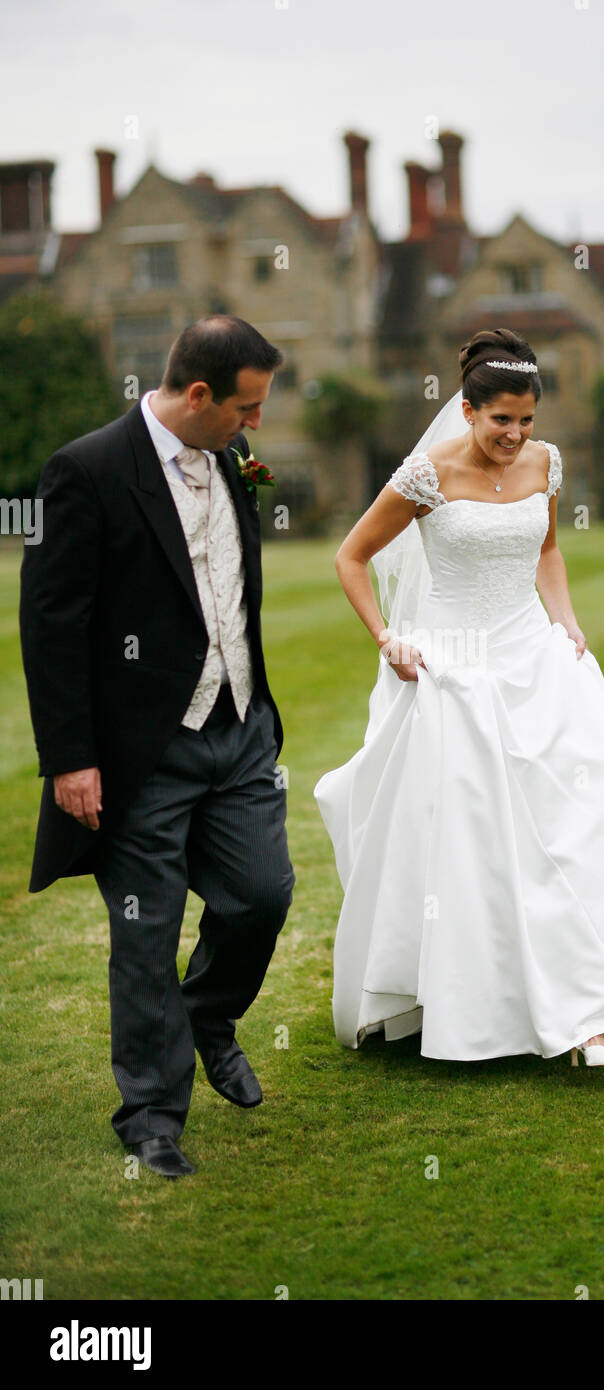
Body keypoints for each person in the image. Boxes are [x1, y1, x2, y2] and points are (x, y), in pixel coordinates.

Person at [314, 327, 604, 1068]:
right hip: (453, 667)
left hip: (533, 655)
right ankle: (467, 1003)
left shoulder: (547, 464)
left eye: (527, 420)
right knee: (477, 846)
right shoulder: (426, 473)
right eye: (501, 419)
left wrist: (566, 624)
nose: (516, 434)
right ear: (467, 410)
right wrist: (388, 640)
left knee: (582, 819)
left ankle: (587, 1019)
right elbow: (351, 556)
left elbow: (545, 551)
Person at [19, 315, 295, 1178]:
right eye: (246, 409)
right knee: (145, 930)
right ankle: (150, 1115)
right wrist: (71, 757)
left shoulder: (230, 464)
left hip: (241, 730)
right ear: (199, 393)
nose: (256, 427)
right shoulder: (88, 470)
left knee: (261, 894)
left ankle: (206, 1015)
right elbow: (52, 622)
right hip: (145, 751)